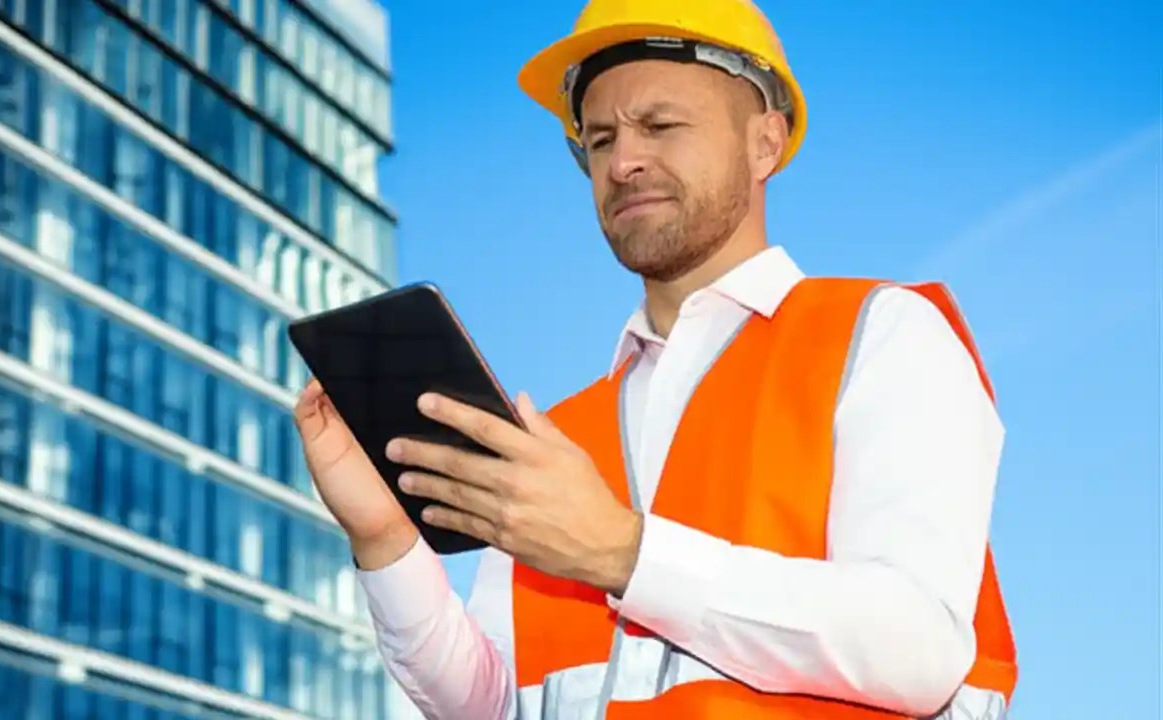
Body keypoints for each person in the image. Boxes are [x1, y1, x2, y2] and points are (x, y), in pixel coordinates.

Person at [293, 1, 1019, 718]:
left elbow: (918, 648)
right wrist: (386, 542)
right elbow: (495, 704)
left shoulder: (881, 335)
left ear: (765, 142)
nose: (624, 161)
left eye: (661, 126)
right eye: (599, 140)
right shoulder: (560, 441)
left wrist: (624, 554)